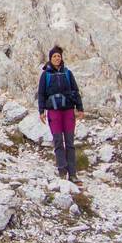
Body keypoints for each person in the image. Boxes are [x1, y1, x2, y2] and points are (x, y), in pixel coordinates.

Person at [36, 45, 83, 182]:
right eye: (54, 56)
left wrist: (80, 108)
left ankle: (73, 174)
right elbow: (41, 94)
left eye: (58, 56)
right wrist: (41, 111)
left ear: (61, 58)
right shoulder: (45, 75)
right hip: (54, 112)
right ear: (50, 59)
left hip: (68, 111)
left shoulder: (68, 73)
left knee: (70, 142)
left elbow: (75, 90)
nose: (57, 58)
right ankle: (62, 171)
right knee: (58, 142)